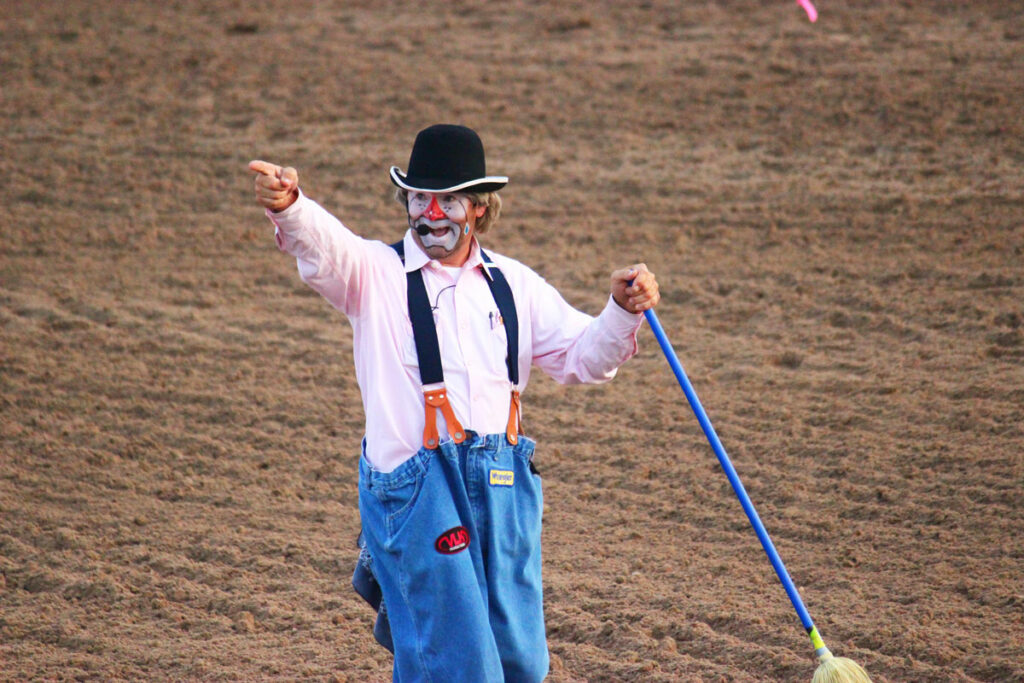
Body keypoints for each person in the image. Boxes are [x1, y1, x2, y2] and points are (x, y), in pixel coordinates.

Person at [248, 124, 659, 682]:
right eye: (421, 198)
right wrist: (291, 206)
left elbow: (587, 357)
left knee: (521, 663)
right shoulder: (373, 273)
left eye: (449, 199)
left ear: (480, 210)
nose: (432, 213)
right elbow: (324, 245)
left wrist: (622, 310)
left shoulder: (515, 285)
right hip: (416, 494)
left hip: (504, 487)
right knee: (459, 666)